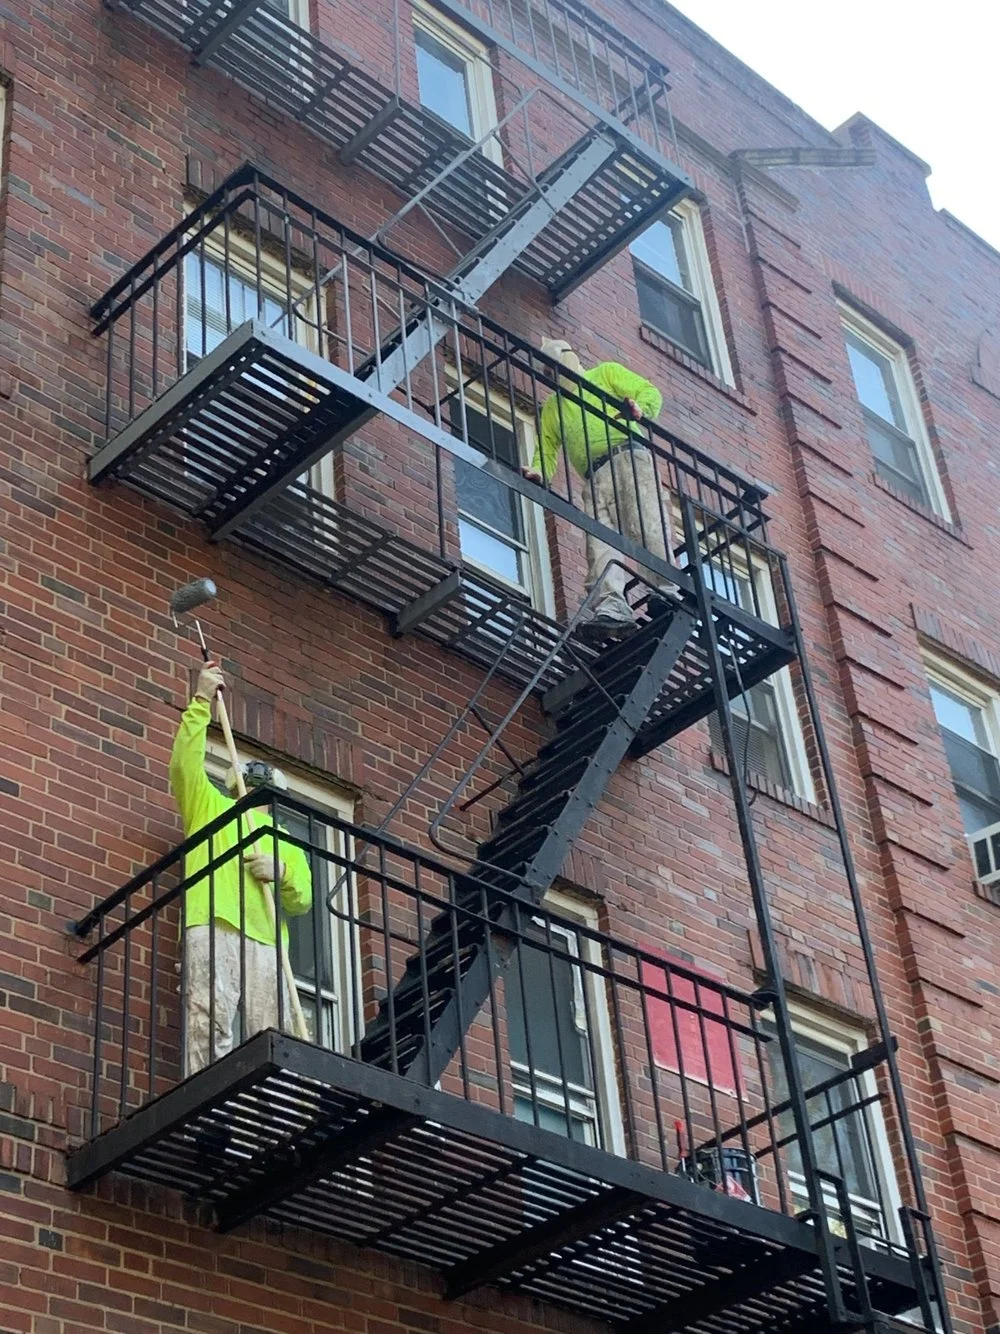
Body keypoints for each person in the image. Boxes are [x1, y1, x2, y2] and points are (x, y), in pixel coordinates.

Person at [170, 660, 313, 1074]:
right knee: (207, 1017)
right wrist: (200, 701)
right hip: (212, 922)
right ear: (239, 788)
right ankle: (205, 1094)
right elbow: (183, 766)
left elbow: (303, 898)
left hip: (266, 939)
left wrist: (281, 873)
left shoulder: (284, 840)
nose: (260, 798)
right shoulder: (210, 808)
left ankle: (275, 1101)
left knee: (270, 1030)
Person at [523, 338, 674, 642]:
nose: (556, 375)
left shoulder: (604, 374)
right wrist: (539, 472)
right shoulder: (553, 407)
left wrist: (639, 408)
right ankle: (612, 607)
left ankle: (665, 590)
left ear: (573, 360)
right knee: (599, 545)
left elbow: (649, 392)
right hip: (593, 477)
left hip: (629, 456)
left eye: (559, 367)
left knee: (646, 525)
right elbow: (547, 450)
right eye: (551, 371)